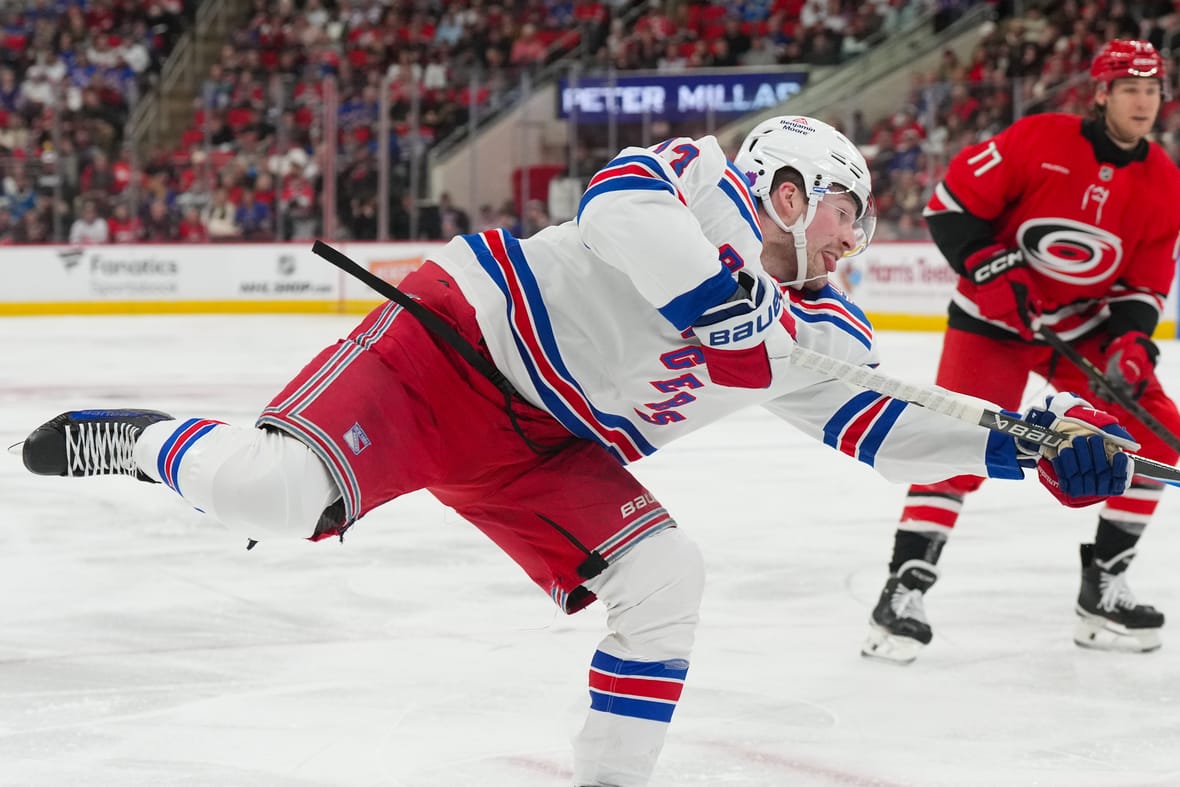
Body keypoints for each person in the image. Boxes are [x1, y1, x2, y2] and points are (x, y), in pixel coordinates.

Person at [18, 116, 1135, 787]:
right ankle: (142, 438)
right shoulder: (701, 179)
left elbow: (884, 429)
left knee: (665, 573)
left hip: (543, 446)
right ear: (789, 188)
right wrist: (721, 304)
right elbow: (614, 210)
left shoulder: (823, 333)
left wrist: (1032, 454)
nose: (858, 239)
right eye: (849, 212)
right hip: (454, 345)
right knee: (276, 496)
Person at [863, 40, 1180, 665]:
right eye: (1130, 89)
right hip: (994, 322)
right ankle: (903, 591)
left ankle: (1103, 590)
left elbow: (1142, 286)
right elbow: (950, 206)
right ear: (1101, 94)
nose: (1144, 101)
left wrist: (1132, 345)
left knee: (1157, 436)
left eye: (1153, 89)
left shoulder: (1166, 181)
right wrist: (990, 264)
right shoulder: (1039, 139)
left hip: (1081, 329)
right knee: (955, 443)